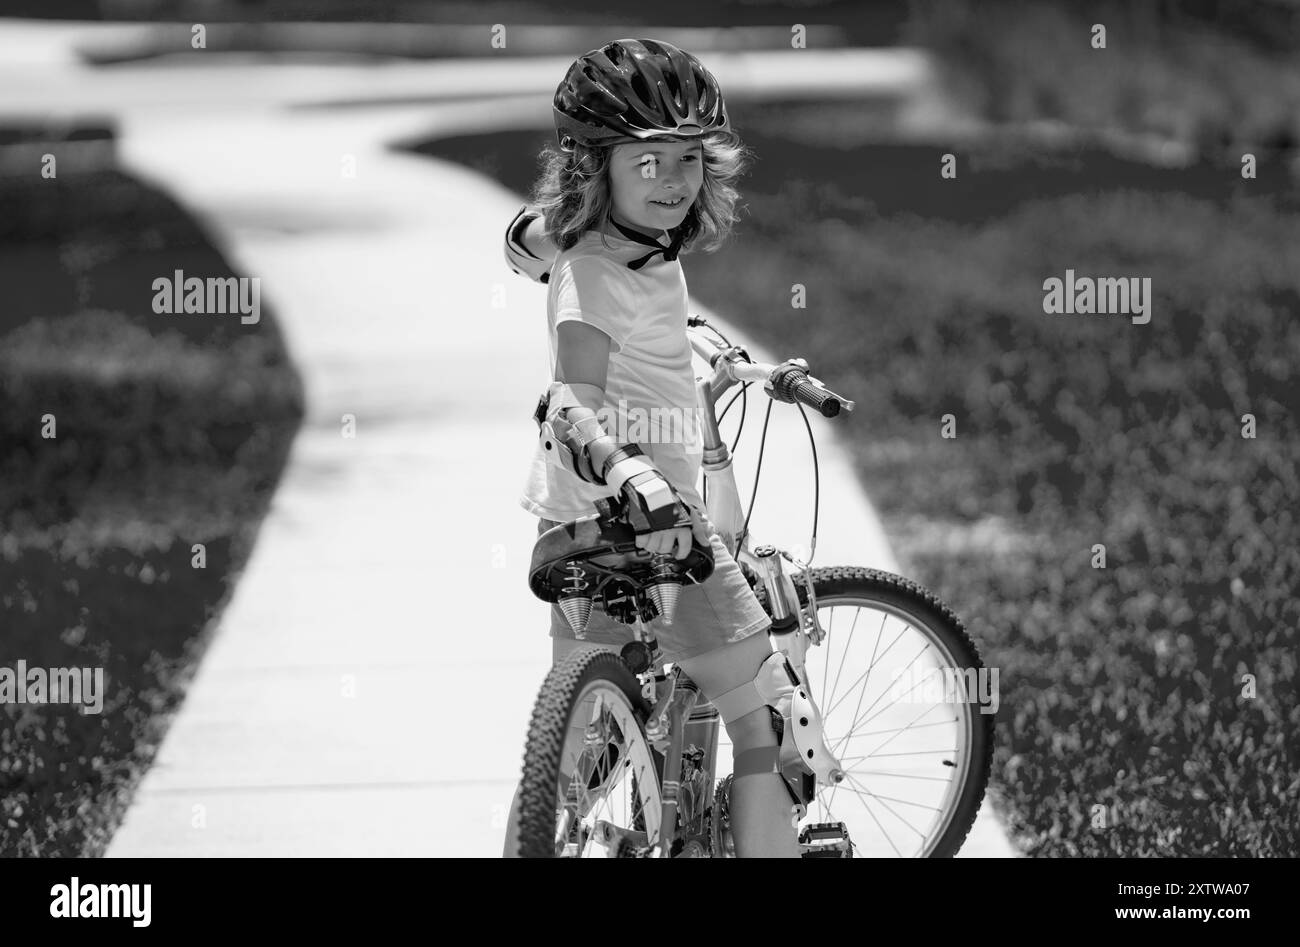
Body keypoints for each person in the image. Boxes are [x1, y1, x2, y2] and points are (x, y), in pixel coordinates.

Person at [501, 38, 801, 858]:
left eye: (689, 159)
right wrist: (633, 468)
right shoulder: (597, 275)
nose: (674, 181)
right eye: (649, 162)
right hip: (655, 523)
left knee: (580, 754)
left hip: (576, 525)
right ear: (597, 169)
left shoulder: (618, 250)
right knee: (765, 724)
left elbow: (645, 330)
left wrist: (724, 358)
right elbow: (572, 400)